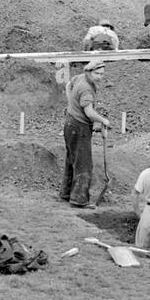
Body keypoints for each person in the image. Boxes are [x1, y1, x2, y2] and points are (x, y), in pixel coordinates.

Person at [60, 58, 110, 209]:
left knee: (72, 160)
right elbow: (89, 113)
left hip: (70, 122)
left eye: (102, 74)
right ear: (89, 71)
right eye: (97, 74)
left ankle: (66, 193)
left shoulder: (80, 77)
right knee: (83, 163)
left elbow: (69, 84)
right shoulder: (87, 90)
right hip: (78, 126)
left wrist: (71, 105)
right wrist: (103, 121)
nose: (100, 77)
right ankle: (79, 200)